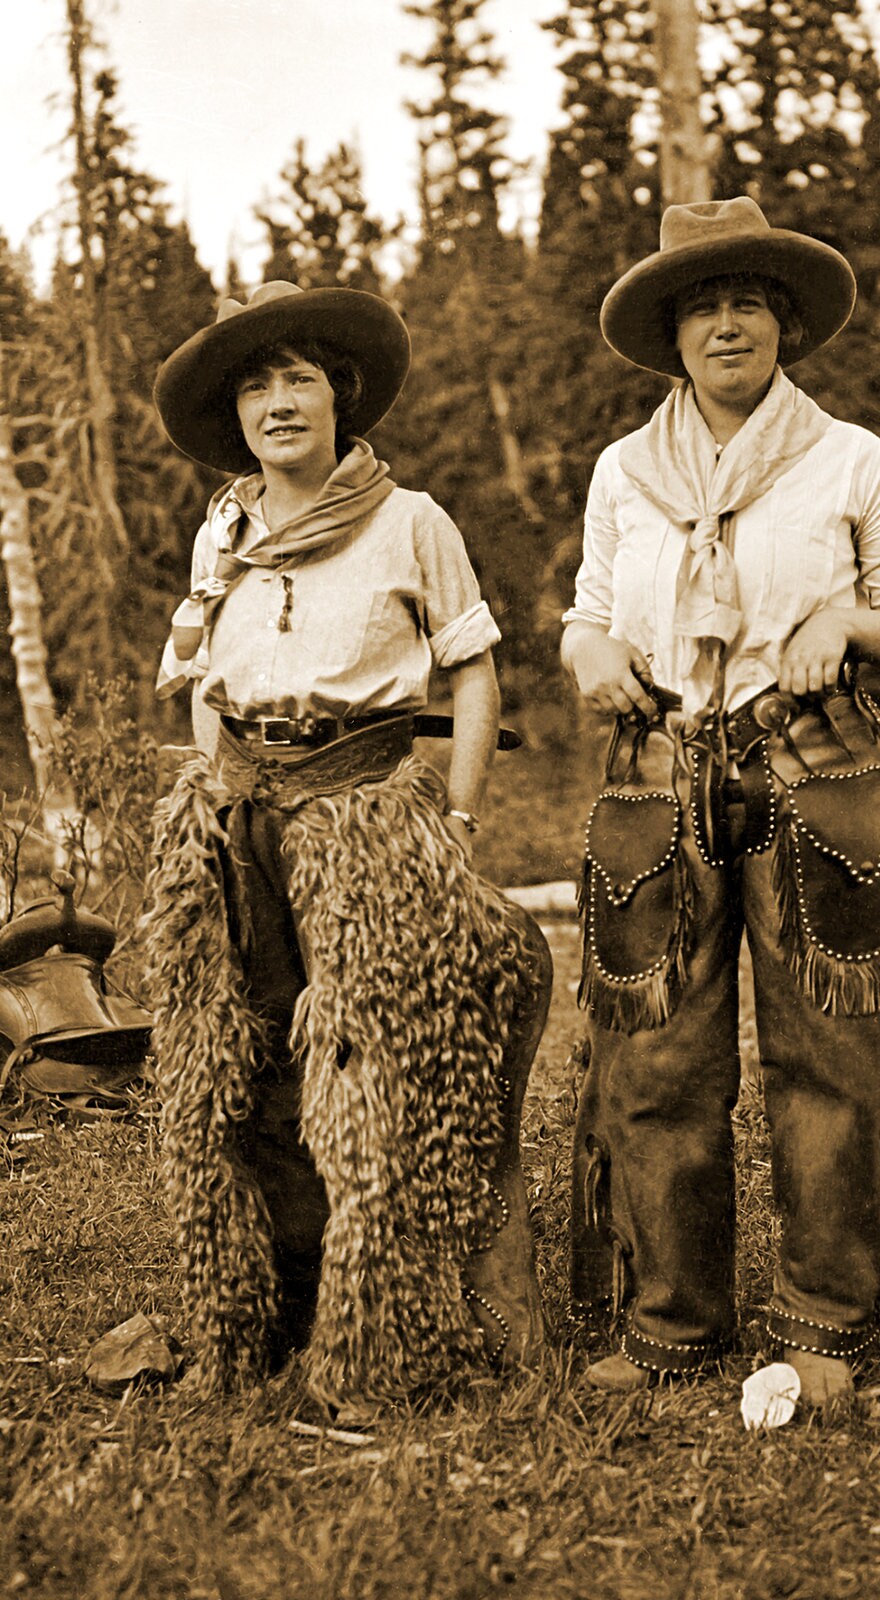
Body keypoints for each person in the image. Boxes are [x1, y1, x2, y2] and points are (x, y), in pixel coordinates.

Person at [561, 198, 880, 1402]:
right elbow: (590, 614)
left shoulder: (849, 458)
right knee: (654, 1055)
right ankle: (671, 1324)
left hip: (815, 766)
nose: (728, 323)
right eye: (704, 305)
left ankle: (828, 1320)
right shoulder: (624, 472)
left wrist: (845, 619)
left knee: (826, 1055)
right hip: (659, 768)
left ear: (785, 325)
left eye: (749, 302)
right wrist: (590, 655)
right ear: (671, 332)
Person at [142, 281, 552, 1408]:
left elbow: (472, 673)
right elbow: (203, 683)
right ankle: (262, 1321)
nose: (280, 403)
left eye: (301, 380)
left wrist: (455, 826)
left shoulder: (408, 520)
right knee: (246, 1073)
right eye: (259, 385)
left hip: (363, 820)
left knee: (366, 1080)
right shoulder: (221, 531)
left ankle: (379, 1340)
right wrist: (213, 795)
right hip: (236, 830)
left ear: (341, 397)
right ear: (238, 417)